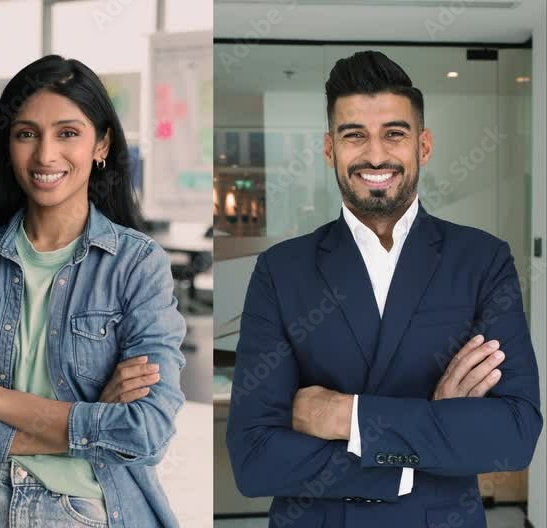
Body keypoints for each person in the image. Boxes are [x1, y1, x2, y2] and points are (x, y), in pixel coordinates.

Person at [226, 51, 542, 527]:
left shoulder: (482, 260)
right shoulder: (280, 270)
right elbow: (254, 459)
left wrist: (346, 417)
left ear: (424, 145)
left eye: (394, 133)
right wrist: (427, 438)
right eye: (355, 136)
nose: (375, 155)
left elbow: (514, 435)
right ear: (330, 149)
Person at [0, 55, 187, 527]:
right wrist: (90, 419)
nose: (45, 156)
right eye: (26, 134)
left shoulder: (137, 264)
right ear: (7, 145)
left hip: (87, 512)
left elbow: (147, 433)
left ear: (102, 144)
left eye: (68, 133)